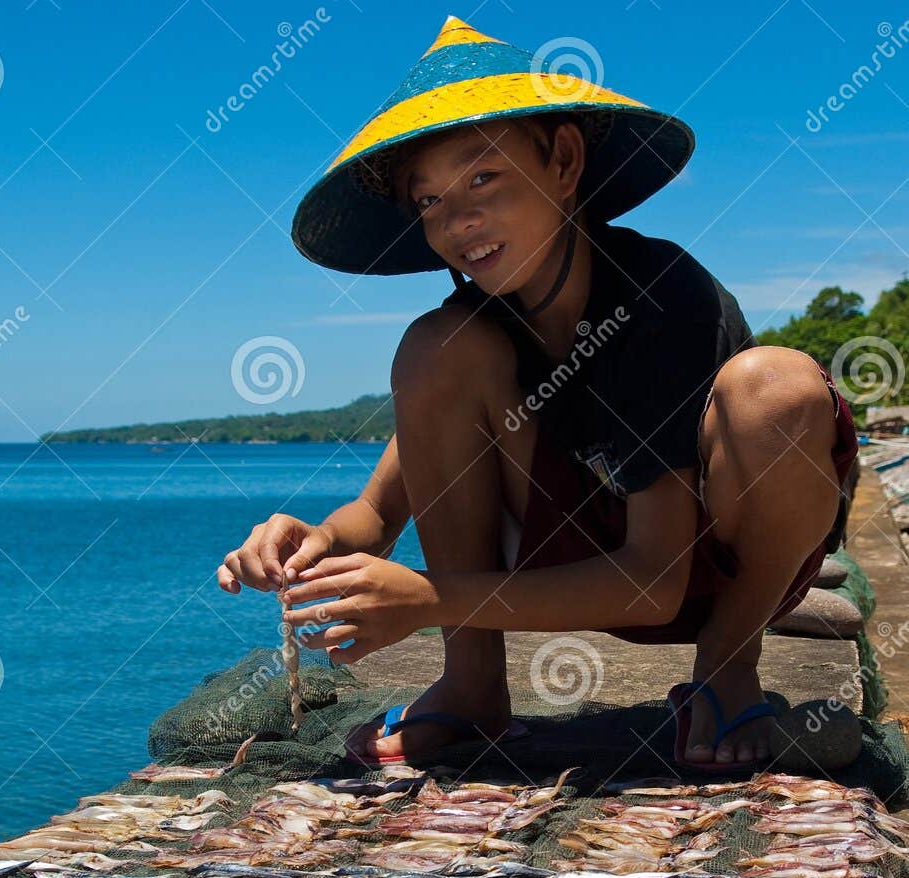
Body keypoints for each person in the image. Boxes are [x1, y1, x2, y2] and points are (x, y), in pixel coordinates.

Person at [218, 16, 858, 773]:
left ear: (563, 161)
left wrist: (429, 597)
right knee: (434, 344)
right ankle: (472, 686)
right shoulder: (470, 342)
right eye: (428, 201)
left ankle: (726, 665)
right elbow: (378, 516)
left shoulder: (665, 299)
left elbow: (655, 582)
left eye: (482, 178)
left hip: (715, 572)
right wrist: (314, 545)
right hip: (575, 571)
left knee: (775, 386)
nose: (458, 219)